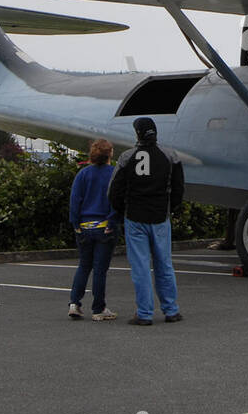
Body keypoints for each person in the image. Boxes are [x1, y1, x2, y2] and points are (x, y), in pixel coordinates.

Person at [108, 117, 183, 326]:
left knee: (140, 266)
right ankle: (171, 310)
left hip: (135, 218)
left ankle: (144, 313)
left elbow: (114, 191)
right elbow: (178, 188)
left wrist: (123, 210)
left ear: (138, 134)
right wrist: (171, 208)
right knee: (164, 264)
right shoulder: (170, 156)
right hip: (160, 217)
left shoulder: (127, 157)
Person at [67, 138, 118, 321]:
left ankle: (74, 303)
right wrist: (112, 223)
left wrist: (76, 225)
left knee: (84, 265)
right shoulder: (113, 174)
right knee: (100, 270)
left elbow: (75, 201)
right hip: (104, 227)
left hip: (84, 227)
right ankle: (98, 308)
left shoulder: (83, 174)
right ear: (109, 154)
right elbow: (116, 201)